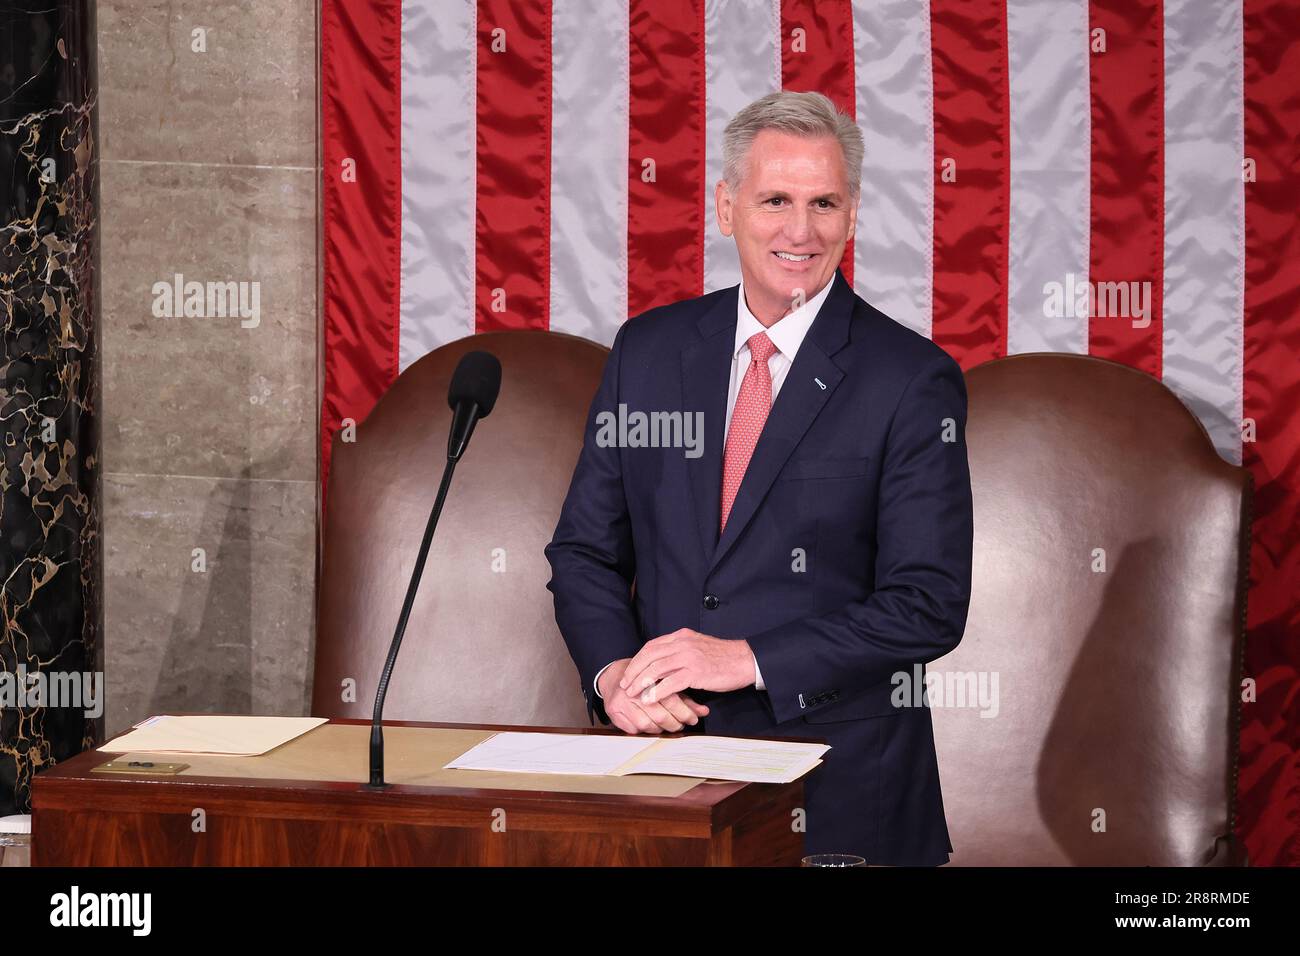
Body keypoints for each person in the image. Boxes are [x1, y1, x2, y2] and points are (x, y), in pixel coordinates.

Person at [544, 90, 973, 866]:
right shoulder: (646, 351)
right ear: (726, 205)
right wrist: (613, 675)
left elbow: (928, 605)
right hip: (664, 780)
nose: (799, 230)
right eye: (775, 199)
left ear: (852, 216)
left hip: (838, 794)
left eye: (824, 203)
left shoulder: (911, 379)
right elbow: (584, 552)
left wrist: (745, 657)